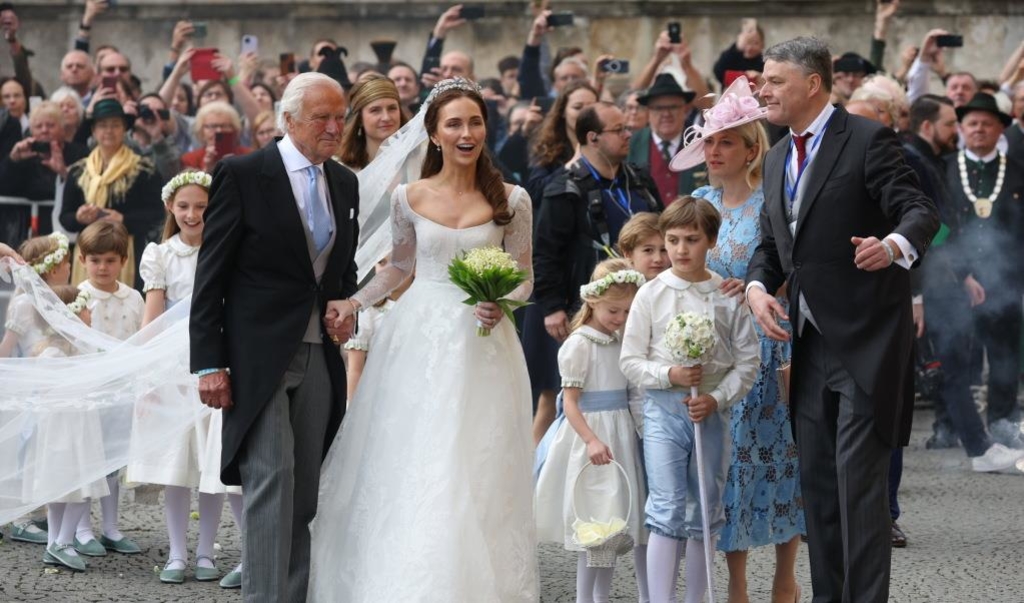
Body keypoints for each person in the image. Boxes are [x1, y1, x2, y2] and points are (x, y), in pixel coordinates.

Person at [308, 79, 538, 601]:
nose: (466, 133)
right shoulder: (407, 197)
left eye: (475, 122)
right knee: (413, 452)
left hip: (483, 342)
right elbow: (400, 268)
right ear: (434, 134)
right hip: (416, 339)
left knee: (474, 458)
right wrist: (354, 303)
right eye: (454, 124)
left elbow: (525, 276)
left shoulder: (513, 199)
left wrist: (501, 300)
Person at [745, 37, 939, 602]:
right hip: (806, 346)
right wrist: (757, 288)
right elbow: (771, 247)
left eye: (774, 80)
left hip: (865, 340)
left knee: (859, 490)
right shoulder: (776, 156)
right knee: (820, 494)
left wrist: (893, 245)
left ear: (813, 84)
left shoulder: (868, 138)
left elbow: (919, 209)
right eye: (763, 80)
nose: (763, 90)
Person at [189, 72, 359, 602]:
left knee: (303, 494)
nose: (334, 128)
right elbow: (210, 276)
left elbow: (341, 272)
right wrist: (209, 363)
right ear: (288, 120)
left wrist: (346, 306)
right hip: (257, 360)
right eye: (322, 118)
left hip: (320, 356)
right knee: (272, 482)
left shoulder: (345, 183)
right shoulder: (242, 174)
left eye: (340, 117)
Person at [671, 75, 805, 603]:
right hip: (715, 349)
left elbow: (794, 268)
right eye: (709, 141)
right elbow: (676, 263)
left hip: (770, 342)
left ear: (751, 150)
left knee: (783, 458)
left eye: (726, 141)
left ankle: (786, 575)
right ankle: (737, 584)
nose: (714, 151)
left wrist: (757, 285)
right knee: (729, 465)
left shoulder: (774, 202)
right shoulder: (699, 200)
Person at [620, 197, 760, 603]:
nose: (680, 250)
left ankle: (698, 596)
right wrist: (669, 375)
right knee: (665, 506)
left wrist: (716, 398)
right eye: (673, 240)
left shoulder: (726, 294)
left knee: (706, 506)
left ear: (711, 241)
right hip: (663, 411)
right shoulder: (651, 294)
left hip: (710, 412)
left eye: (692, 240)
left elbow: (748, 360)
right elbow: (630, 360)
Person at [126, 170, 245, 587]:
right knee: (176, 464)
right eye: (184, 207)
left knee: (213, 462)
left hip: (217, 361)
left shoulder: (226, 247)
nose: (192, 215)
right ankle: (177, 552)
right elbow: (153, 317)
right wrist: (146, 376)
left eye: (201, 207)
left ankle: (207, 551)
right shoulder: (160, 255)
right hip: (173, 365)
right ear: (170, 208)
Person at [531, 102, 661, 445]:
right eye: (618, 130)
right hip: (591, 307)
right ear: (592, 137)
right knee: (575, 390)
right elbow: (545, 251)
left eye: (627, 128)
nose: (628, 134)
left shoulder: (639, 180)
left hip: (643, 302)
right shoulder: (565, 187)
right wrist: (552, 306)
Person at [535, 259, 649, 603]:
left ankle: (602, 597)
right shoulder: (579, 344)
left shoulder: (620, 341)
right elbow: (570, 403)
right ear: (592, 302)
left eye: (628, 311)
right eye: (614, 310)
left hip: (620, 436)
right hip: (591, 438)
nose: (621, 318)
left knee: (612, 526)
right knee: (594, 528)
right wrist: (591, 440)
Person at [944, 93, 1024, 450]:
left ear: (1000, 130)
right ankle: (951, 425)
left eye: (987, 124)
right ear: (961, 128)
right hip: (956, 277)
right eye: (972, 123)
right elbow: (936, 223)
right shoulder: (945, 168)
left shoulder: (1018, 171)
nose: (979, 129)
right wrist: (957, 270)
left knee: (1005, 353)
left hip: (1006, 279)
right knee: (955, 351)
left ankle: (1003, 421)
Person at [72, 220, 144, 559]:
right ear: (83, 260)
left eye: (110, 260)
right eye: (95, 260)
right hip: (89, 391)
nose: (102, 267)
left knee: (113, 461)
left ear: (123, 261)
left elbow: (141, 339)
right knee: (88, 460)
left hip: (122, 390)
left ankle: (111, 527)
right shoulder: (78, 297)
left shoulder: (134, 298)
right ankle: (82, 528)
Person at [27, 284, 110, 573]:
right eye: (85, 307)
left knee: (70, 489)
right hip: (66, 431)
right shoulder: (52, 354)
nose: (90, 312)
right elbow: (52, 391)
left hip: (77, 427)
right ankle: (61, 541)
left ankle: (56, 543)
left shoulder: (77, 350)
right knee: (76, 488)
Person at [60, 99, 164, 289]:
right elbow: (65, 216)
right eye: (102, 125)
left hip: (128, 250)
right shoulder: (78, 170)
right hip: (87, 252)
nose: (109, 131)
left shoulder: (143, 169)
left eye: (115, 125)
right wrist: (79, 217)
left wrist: (123, 219)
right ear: (93, 130)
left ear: (124, 129)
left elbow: (157, 213)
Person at [627, 73, 705, 207]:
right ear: (648, 112)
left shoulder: (701, 143)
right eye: (659, 108)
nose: (666, 114)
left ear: (685, 109)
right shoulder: (631, 143)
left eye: (673, 107)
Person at [343, 255, 413, 401]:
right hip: (376, 396)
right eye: (381, 263)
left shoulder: (421, 311)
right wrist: (352, 406)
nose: (387, 270)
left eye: (396, 262)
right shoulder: (368, 312)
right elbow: (355, 370)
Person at [337, 74, 407, 170]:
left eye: (392, 108)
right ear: (360, 118)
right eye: (375, 110)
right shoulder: (342, 170)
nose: (386, 117)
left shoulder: (419, 160)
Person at [181, 101, 253, 173]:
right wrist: (207, 170)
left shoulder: (249, 156)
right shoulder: (190, 160)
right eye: (212, 126)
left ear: (235, 129)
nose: (219, 131)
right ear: (201, 130)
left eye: (224, 126)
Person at [616, 212, 668, 281]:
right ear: (628, 254)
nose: (658, 259)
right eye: (648, 250)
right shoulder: (616, 286)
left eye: (664, 250)